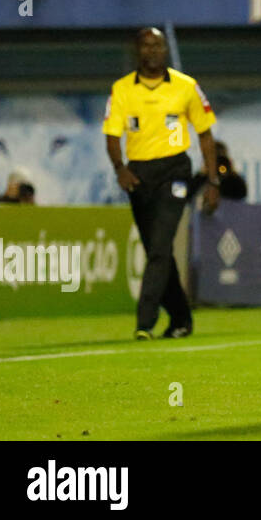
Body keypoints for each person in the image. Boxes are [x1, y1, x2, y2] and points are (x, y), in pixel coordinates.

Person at [103, 27, 223, 340]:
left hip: (175, 172)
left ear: (166, 50)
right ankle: (181, 319)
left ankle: (144, 321)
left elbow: (205, 134)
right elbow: (112, 135)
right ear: (137, 51)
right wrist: (120, 168)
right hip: (139, 175)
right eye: (146, 45)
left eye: (158, 45)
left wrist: (212, 181)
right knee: (158, 251)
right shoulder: (121, 90)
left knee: (159, 246)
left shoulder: (186, 87)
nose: (153, 50)